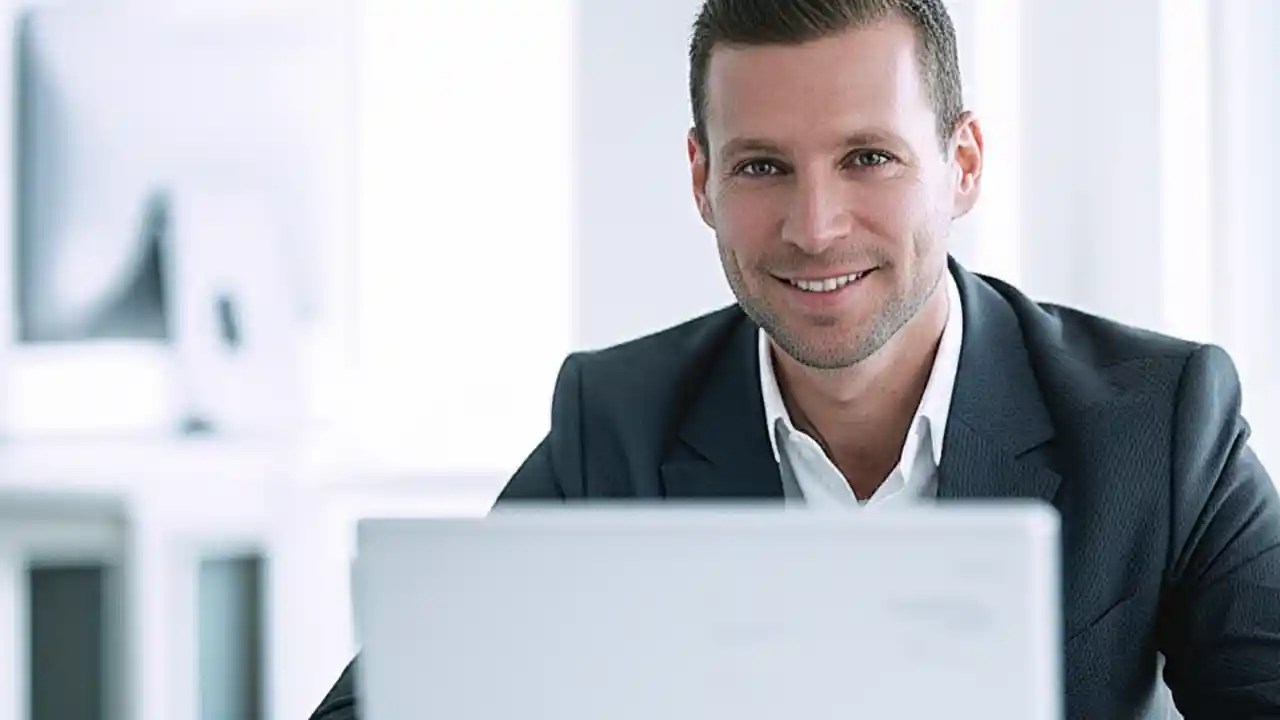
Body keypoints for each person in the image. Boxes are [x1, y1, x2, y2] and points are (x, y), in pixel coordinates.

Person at [312, 1, 1280, 717]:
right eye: (762, 167)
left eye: (867, 157)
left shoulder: (1161, 421)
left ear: (963, 165)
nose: (813, 229)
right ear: (701, 179)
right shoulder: (612, 424)